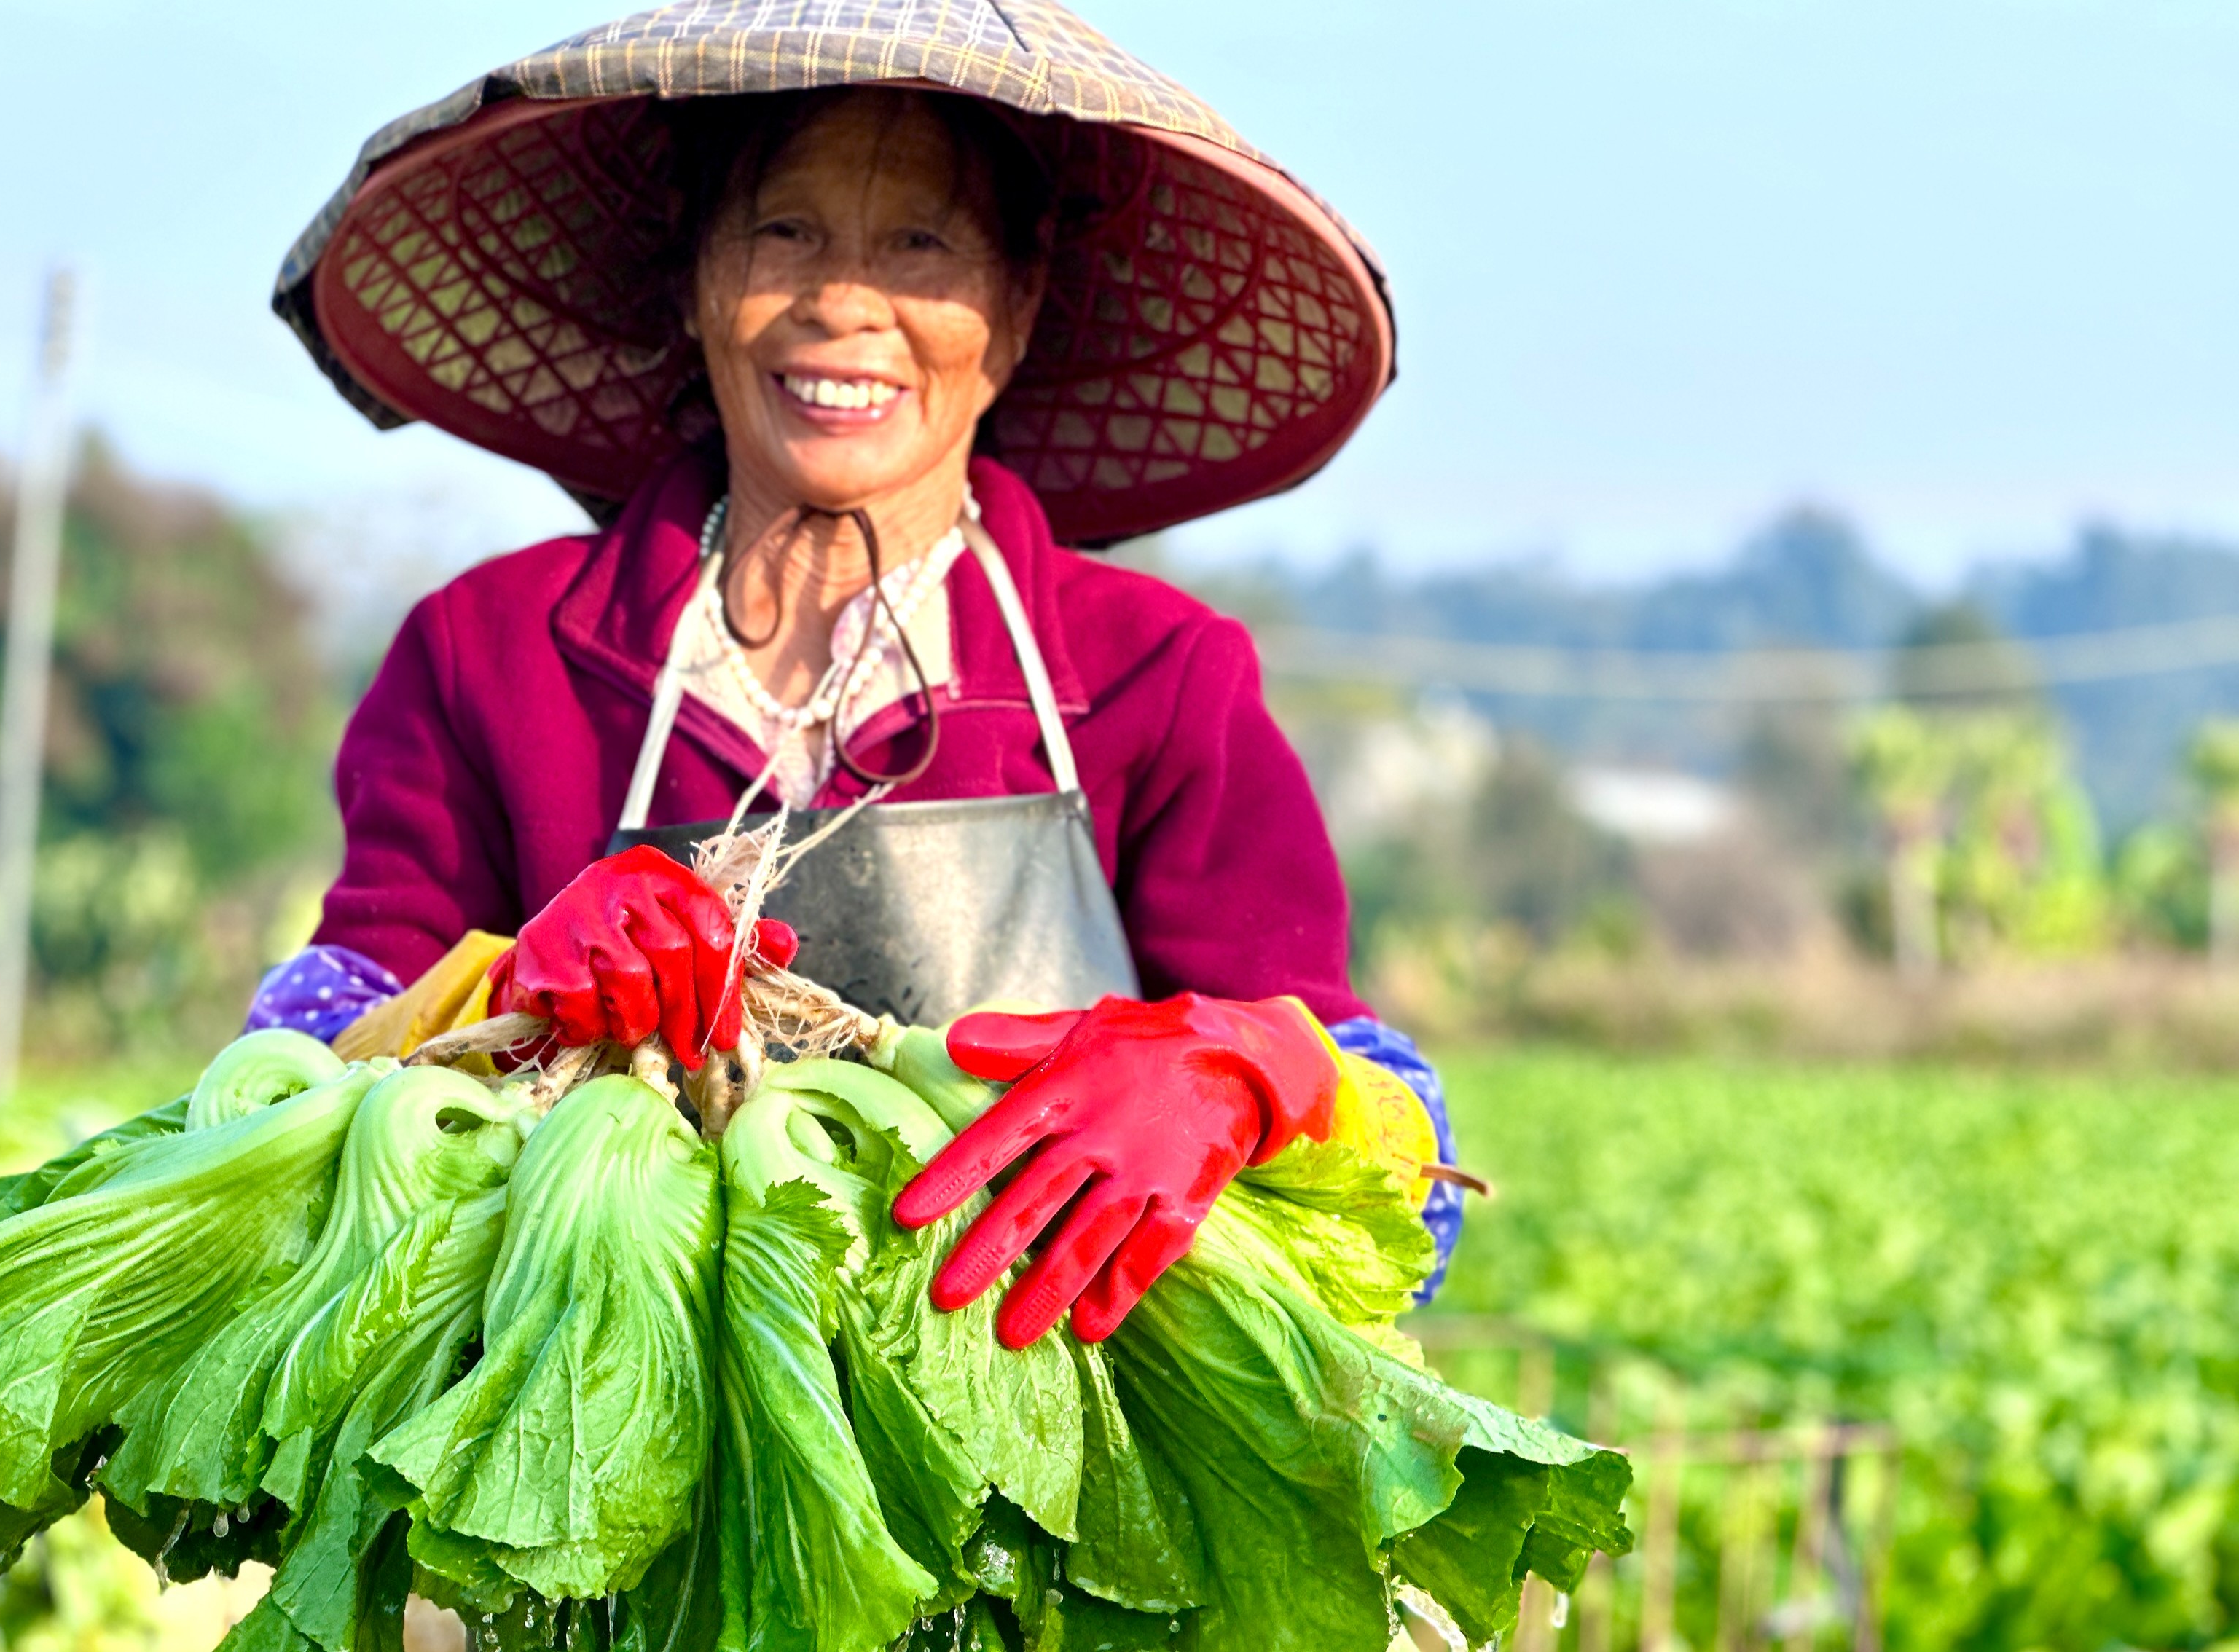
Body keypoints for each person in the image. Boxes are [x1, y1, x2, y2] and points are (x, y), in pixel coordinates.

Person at [248, 0, 1462, 1349]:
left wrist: (1257, 1075)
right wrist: (501, 996)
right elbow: (299, 1065)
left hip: (1037, 1488)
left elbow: (1416, 1197)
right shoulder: (492, 651)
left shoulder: (1155, 675)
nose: (842, 301)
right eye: (784, 233)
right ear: (700, 280)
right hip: (586, 1473)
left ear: (1013, 307)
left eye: (922, 244)